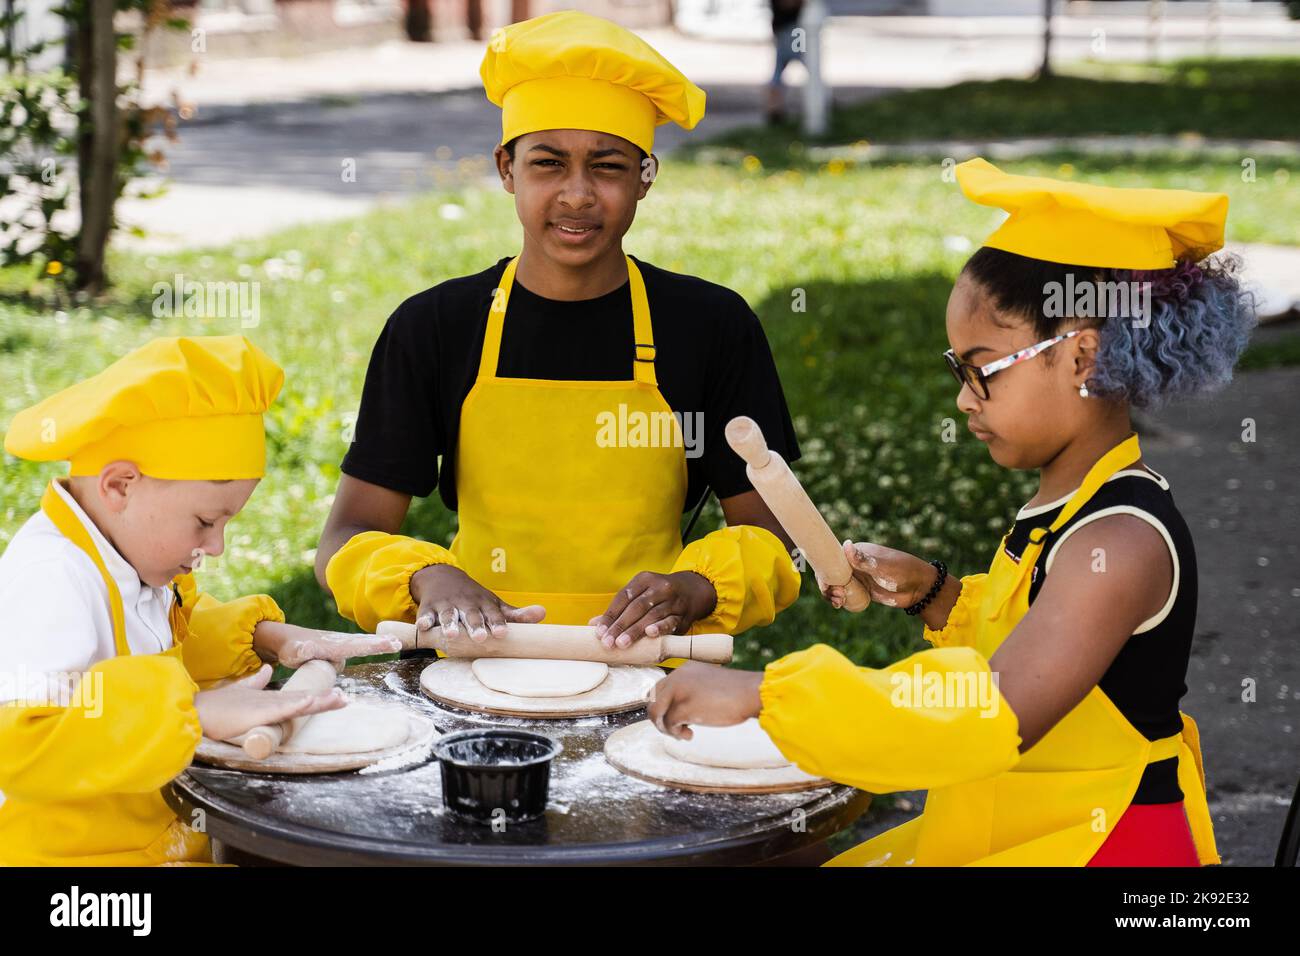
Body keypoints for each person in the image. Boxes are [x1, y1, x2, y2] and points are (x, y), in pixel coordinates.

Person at [646, 158, 1255, 866]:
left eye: (981, 369)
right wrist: (939, 596)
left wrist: (762, 695)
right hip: (1016, 826)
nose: (964, 399)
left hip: (1101, 848)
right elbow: (1037, 631)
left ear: (1082, 356)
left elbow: (992, 709)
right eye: (956, 370)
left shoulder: (1121, 541)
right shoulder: (1075, 508)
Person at [316, 12, 802, 661]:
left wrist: (692, 589)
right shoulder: (435, 327)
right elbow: (347, 534)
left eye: (607, 166)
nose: (577, 195)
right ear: (507, 169)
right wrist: (428, 577)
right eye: (548, 164)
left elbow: (777, 537)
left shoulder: (711, 326)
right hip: (474, 663)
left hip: (651, 664)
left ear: (645, 176)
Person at [0, 335, 400, 865]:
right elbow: (24, 739)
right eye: (206, 521)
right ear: (121, 485)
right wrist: (198, 710)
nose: (216, 546)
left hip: (153, 844)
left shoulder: (125, 552)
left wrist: (263, 637)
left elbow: (158, 639)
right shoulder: (51, 578)